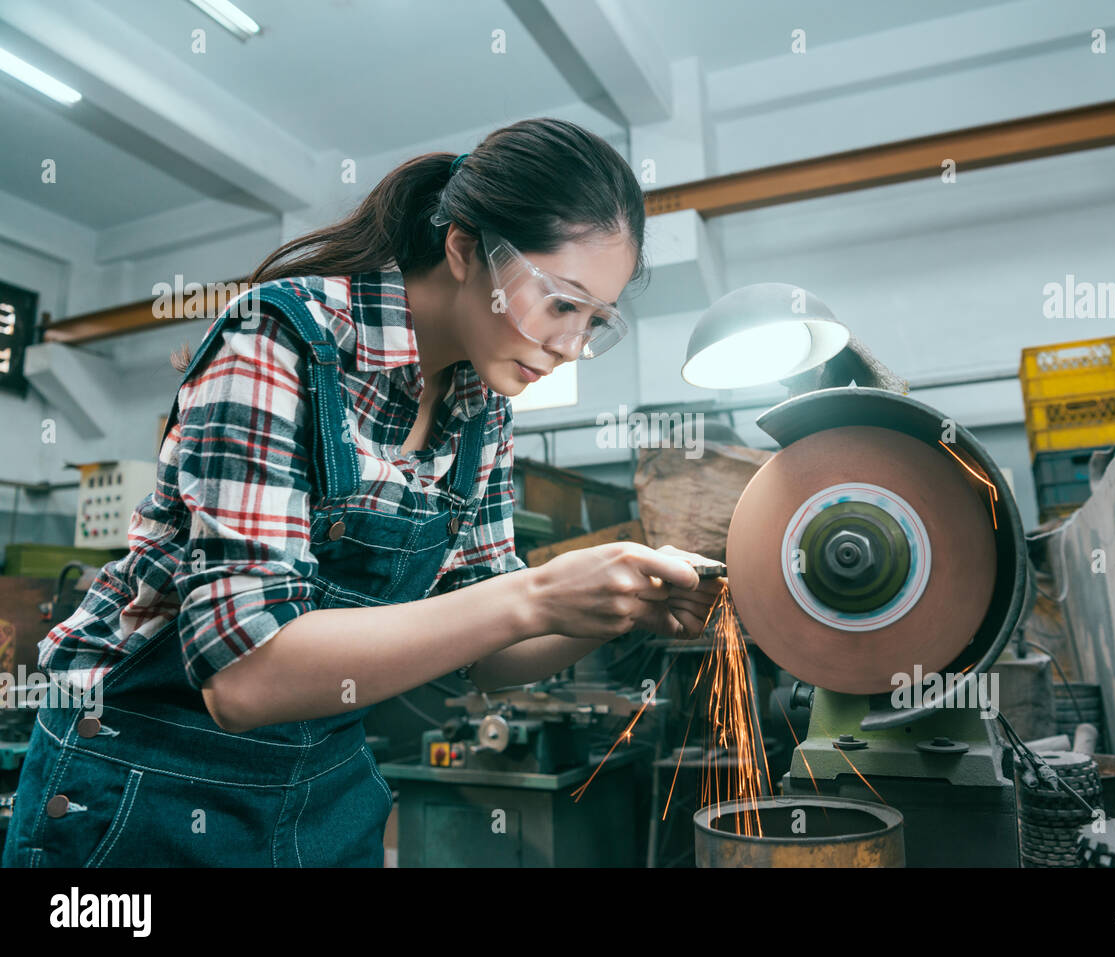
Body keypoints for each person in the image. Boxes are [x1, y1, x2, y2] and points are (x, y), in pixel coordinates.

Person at [2, 117, 723, 867]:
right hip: (139, 783)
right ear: (464, 247)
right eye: (561, 303)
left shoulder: (482, 404)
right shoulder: (278, 340)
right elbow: (244, 677)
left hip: (321, 784)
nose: (571, 345)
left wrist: (617, 607)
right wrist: (534, 594)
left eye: (596, 322)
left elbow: (486, 650)